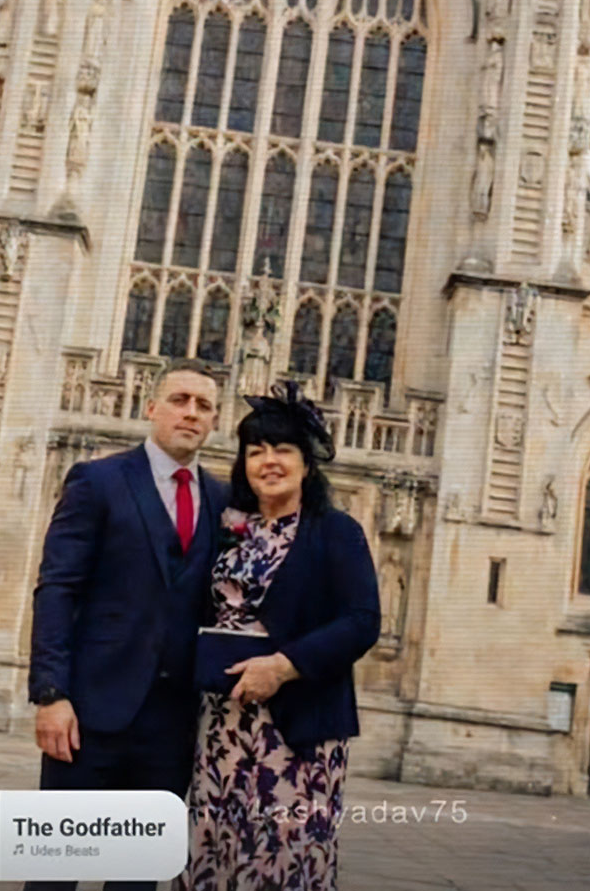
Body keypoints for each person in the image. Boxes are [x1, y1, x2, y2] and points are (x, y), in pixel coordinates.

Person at [26, 359, 228, 891]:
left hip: (171, 727)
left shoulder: (223, 502)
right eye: (180, 400)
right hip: (88, 714)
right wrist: (50, 693)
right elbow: (57, 589)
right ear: (151, 406)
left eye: (204, 406)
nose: (191, 413)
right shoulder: (99, 481)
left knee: (136, 880)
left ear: (214, 422)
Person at [178, 382, 381, 891]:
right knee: (210, 859)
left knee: (284, 864)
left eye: (283, 449)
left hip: (296, 734)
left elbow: (362, 620)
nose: (269, 460)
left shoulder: (336, 531)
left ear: (307, 464)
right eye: (257, 450)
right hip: (220, 730)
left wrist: (283, 666)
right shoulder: (225, 525)